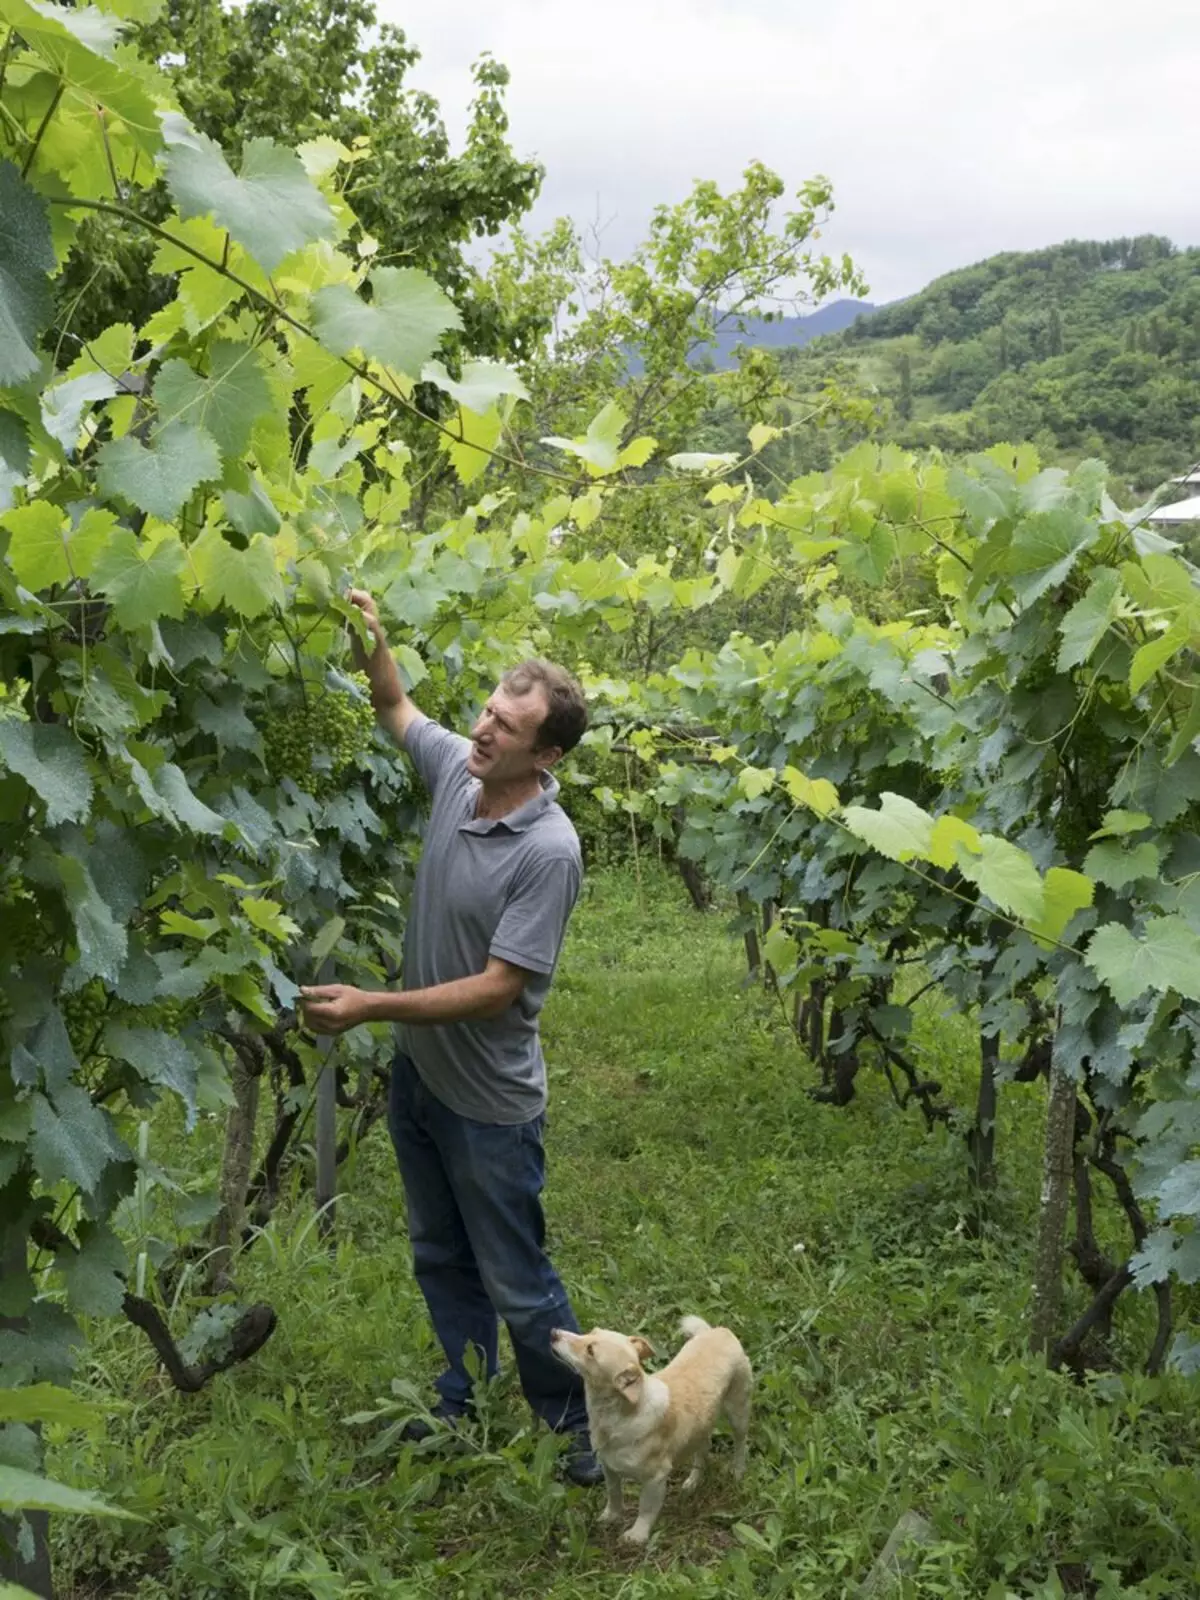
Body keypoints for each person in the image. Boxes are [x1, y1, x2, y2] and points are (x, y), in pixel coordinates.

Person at [300, 589, 602, 1486]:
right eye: (486, 711)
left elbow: (497, 991)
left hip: (489, 1107)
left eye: (507, 727)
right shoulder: (459, 774)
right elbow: (396, 705)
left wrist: (373, 1005)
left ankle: (578, 1425)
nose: (483, 730)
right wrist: (374, 644)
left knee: (517, 1277)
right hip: (422, 1084)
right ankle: (461, 1400)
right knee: (439, 1254)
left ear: (546, 754)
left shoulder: (548, 850)